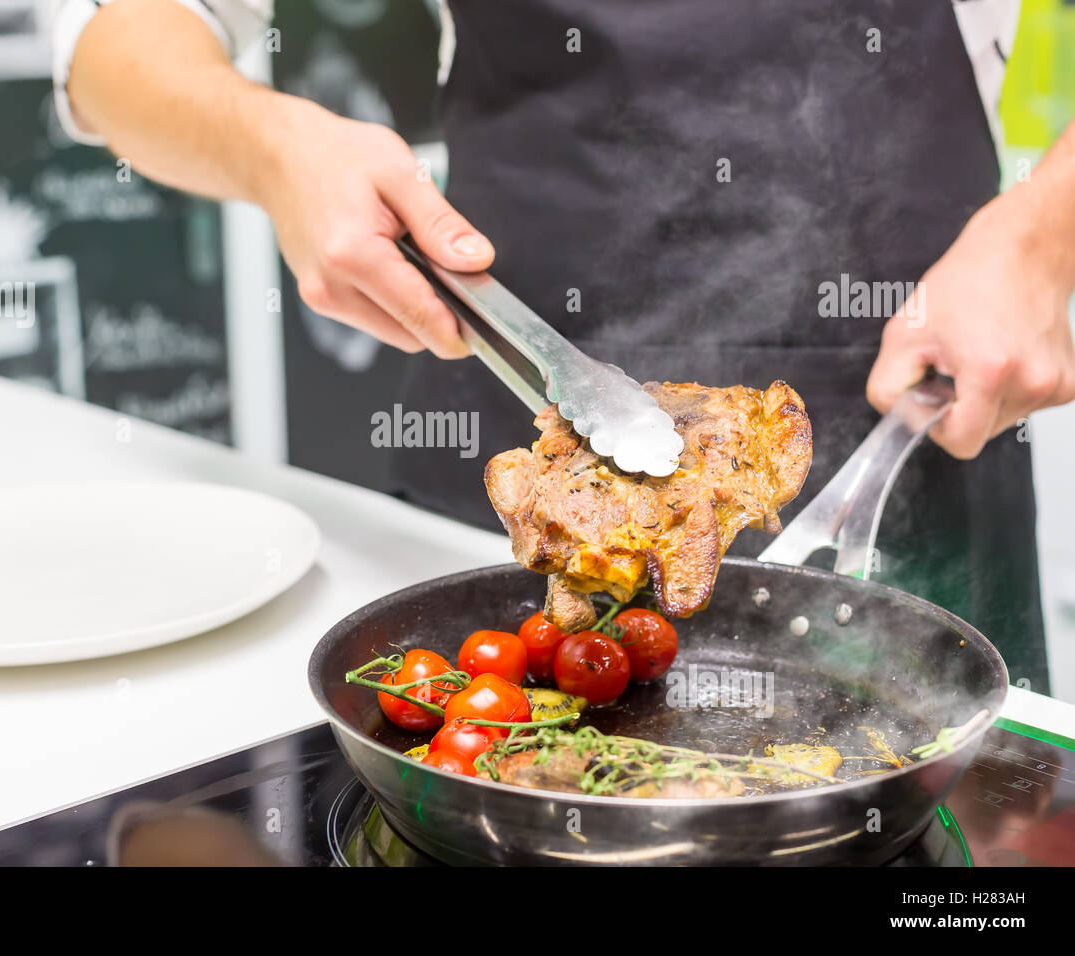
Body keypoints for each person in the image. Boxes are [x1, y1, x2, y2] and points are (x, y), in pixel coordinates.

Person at [55, 0, 1075, 693]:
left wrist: (1044, 233)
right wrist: (271, 148)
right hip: (513, 429)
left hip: (916, 413)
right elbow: (114, 51)